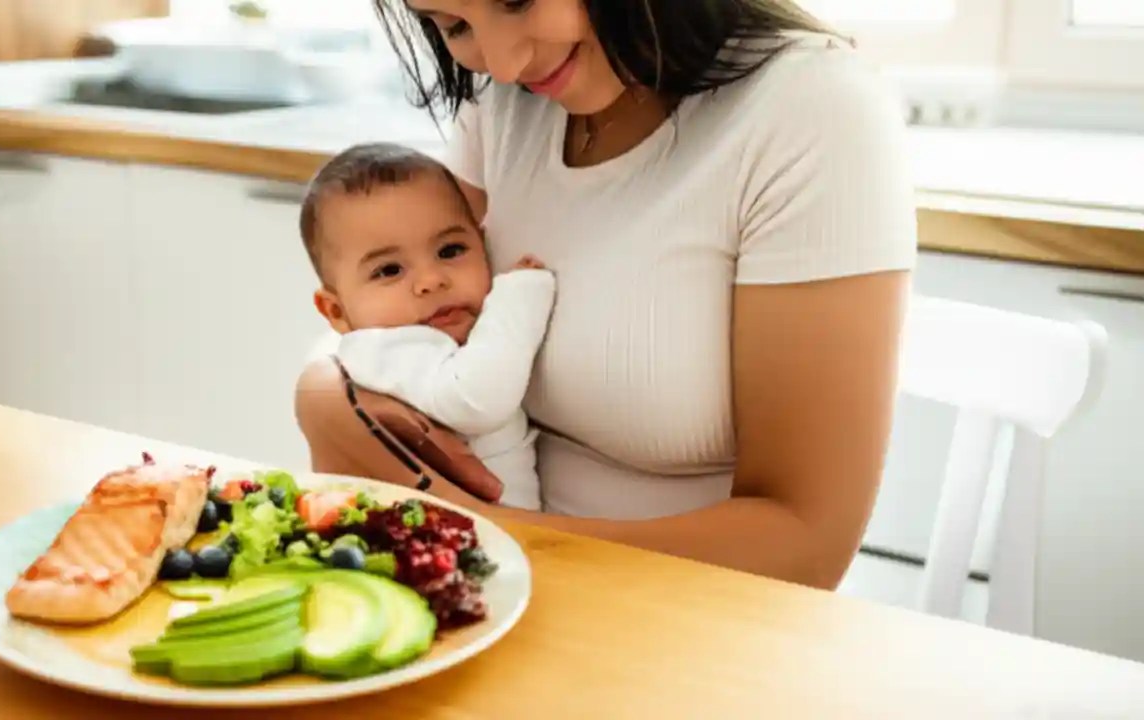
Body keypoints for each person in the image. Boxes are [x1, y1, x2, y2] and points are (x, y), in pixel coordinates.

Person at [295, 0, 917, 591]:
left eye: (518, 1)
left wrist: (483, 536)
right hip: (499, 589)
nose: (504, 63)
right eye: (454, 24)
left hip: (688, 625)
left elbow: (803, 548)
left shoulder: (811, 110)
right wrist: (321, 393)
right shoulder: (509, 99)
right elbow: (404, 304)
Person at [299, 143, 556, 511]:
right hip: (456, 544)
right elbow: (476, 401)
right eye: (389, 270)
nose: (431, 280)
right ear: (336, 312)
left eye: (450, 250)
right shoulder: (384, 348)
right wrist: (521, 296)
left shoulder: (444, 330)